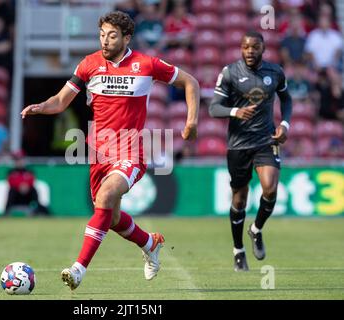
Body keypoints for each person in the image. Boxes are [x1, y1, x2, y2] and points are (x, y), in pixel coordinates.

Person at [21, 11, 199, 290]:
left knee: (106, 196)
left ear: (127, 37)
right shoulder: (88, 64)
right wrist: (41, 107)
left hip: (132, 151)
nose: (105, 40)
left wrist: (191, 121)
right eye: (102, 34)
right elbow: (61, 101)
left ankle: (78, 269)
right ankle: (150, 243)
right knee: (111, 217)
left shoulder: (146, 64)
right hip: (99, 154)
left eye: (112, 35)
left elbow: (191, 82)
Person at [209, 31, 292, 271]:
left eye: (255, 47)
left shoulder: (275, 72)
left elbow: (287, 100)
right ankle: (238, 250)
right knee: (240, 198)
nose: (250, 51)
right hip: (238, 145)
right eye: (246, 47)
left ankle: (256, 229)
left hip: (266, 139)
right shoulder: (229, 73)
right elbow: (214, 108)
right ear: (241, 49)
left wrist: (285, 124)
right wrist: (235, 111)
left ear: (263, 49)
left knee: (270, 187)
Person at [4, 150, 49, 216]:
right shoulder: (11, 172)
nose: (19, 162)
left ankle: (37, 209)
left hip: (27, 196)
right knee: (12, 191)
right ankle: (6, 212)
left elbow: (31, 181)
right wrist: (20, 186)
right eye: (17, 160)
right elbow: (10, 182)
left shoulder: (29, 171)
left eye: (21, 159)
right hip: (16, 196)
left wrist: (26, 186)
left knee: (33, 190)